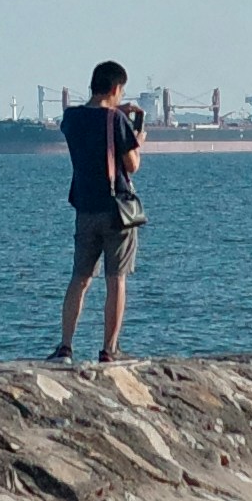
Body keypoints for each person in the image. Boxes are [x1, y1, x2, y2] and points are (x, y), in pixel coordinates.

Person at [55, 61, 143, 361]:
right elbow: (132, 165)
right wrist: (137, 139)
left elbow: (89, 126)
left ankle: (65, 346)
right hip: (116, 209)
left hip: (84, 206)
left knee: (79, 277)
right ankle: (109, 349)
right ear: (117, 88)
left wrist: (116, 112)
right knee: (116, 279)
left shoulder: (71, 117)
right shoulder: (116, 121)